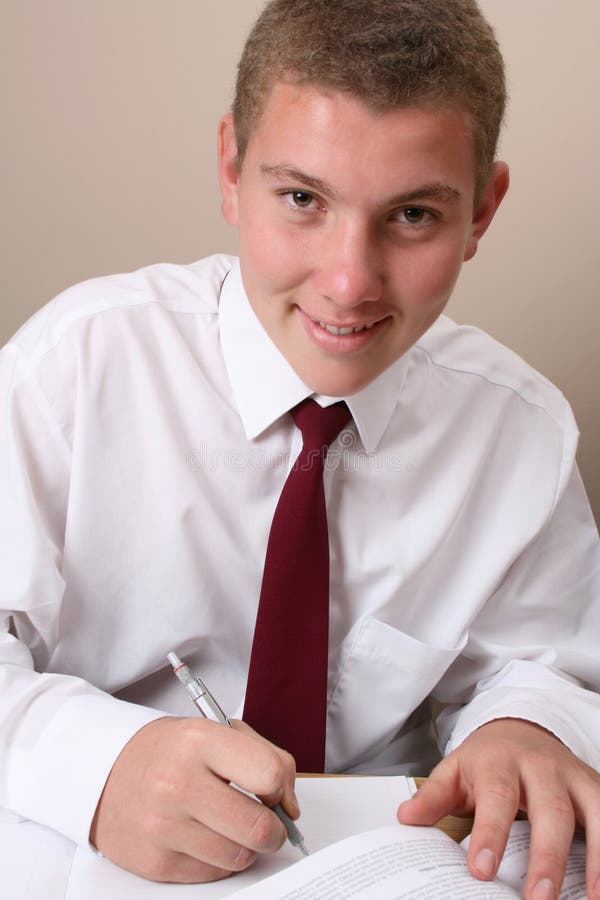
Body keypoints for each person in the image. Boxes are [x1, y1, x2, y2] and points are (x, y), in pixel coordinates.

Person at [1, 0, 599, 897]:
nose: (350, 281)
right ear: (232, 170)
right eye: (302, 199)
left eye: (412, 216)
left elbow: (543, 661)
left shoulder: (518, 429)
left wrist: (529, 725)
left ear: (483, 210)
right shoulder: (79, 364)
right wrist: (93, 761)